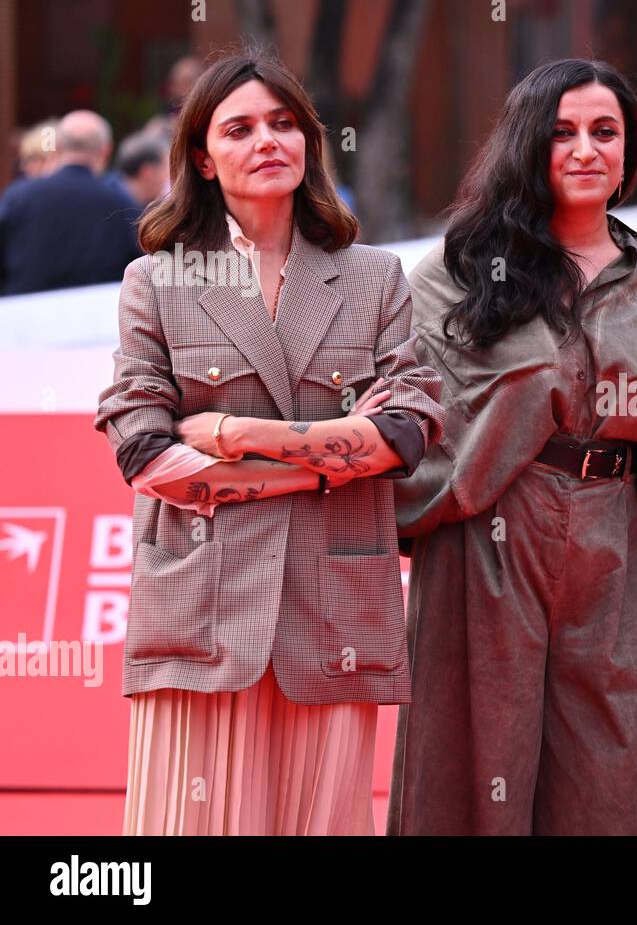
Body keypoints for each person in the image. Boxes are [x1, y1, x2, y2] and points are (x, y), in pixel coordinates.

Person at [93, 51, 444, 835]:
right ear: (201, 157)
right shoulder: (156, 282)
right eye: (240, 128)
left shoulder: (376, 278)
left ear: (310, 143)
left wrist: (236, 434)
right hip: (203, 605)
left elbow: (408, 432)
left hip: (334, 608)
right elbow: (147, 455)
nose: (267, 141)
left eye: (284, 124)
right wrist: (328, 462)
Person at [387, 58, 637, 835]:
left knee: (610, 770)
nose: (586, 150)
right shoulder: (458, 269)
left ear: (630, 150)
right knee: (472, 764)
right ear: (529, 145)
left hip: (616, 537)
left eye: (605, 133)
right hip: (489, 530)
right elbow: (409, 408)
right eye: (562, 134)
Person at [0, 110, 141, 295]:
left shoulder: (18, 197)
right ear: (106, 150)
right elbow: (138, 271)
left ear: (57, 148)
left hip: (23, 316)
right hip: (95, 318)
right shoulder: (121, 202)